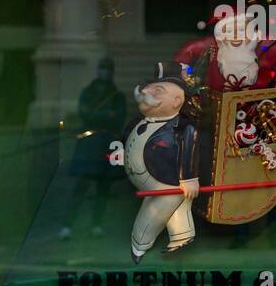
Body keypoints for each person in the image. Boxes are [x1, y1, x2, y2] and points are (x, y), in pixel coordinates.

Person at [123, 62, 200, 263]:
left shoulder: (183, 128)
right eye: (146, 88)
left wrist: (189, 178)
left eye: (157, 91)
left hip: (164, 180)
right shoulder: (137, 121)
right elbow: (126, 136)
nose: (146, 93)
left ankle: (141, 242)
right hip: (145, 177)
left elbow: (188, 152)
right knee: (178, 200)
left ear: (176, 101)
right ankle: (183, 235)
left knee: (166, 201)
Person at [60, 57, 127, 240]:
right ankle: (67, 226)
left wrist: (99, 116)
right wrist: (106, 115)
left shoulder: (118, 96)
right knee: (80, 186)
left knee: (104, 187)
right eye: (102, 68)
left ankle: (96, 225)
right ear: (98, 70)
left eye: (108, 69)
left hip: (107, 143)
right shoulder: (87, 92)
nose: (105, 72)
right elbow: (85, 113)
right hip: (90, 144)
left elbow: (119, 118)